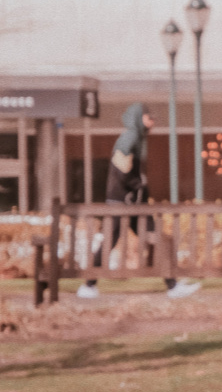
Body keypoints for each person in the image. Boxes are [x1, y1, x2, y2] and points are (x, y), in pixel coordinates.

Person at [77, 103, 200, 300]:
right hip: (124, 203)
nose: (153, 122)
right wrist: (138, 184)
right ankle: (88, 286)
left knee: (139, 239)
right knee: (114, 241)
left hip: (129, 203)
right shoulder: (130, 137)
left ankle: (172, 285)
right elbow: (121, 168)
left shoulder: (136, 138)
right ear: (139, 118)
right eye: (149, 118)